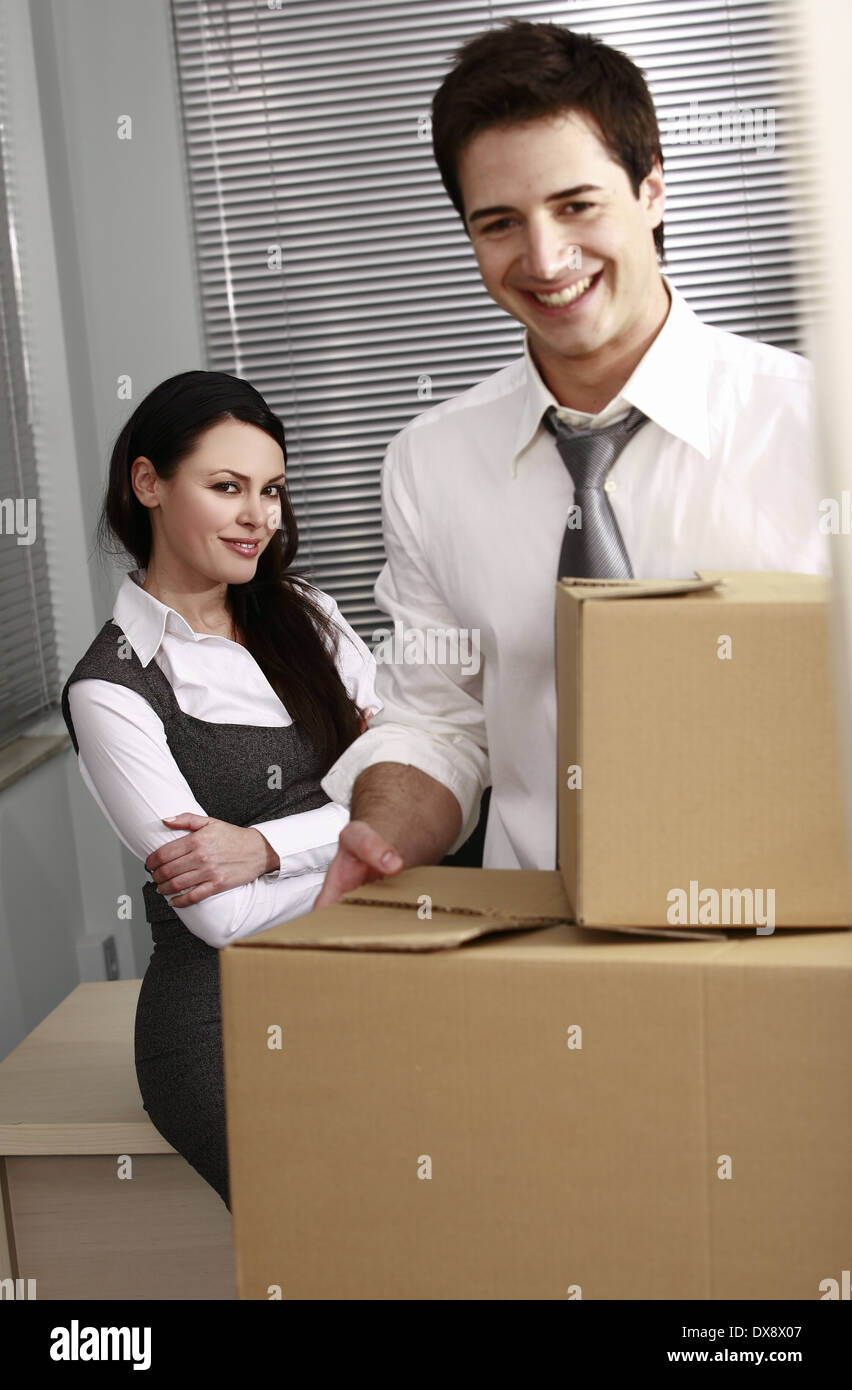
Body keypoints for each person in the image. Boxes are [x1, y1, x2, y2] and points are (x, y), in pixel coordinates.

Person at [311, 18, 830, 906]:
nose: (545, 260)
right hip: (546, 951)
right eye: (500, 222)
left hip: (794, 936)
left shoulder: (823, 426)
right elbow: (440, 720)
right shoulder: (430, 465)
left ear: (653, 192)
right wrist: (382, 833)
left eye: (577, 205)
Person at [60, 370, 381, 1209]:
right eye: (227, 488)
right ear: (149, 483)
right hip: (220, 1021)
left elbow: (405, 789)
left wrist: (266, 847)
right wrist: (359, 839)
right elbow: (220, 915)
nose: (259, 518)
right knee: (325, 1238)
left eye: (271, 490)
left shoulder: (307, 612)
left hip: (373, 979)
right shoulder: (112, 691)